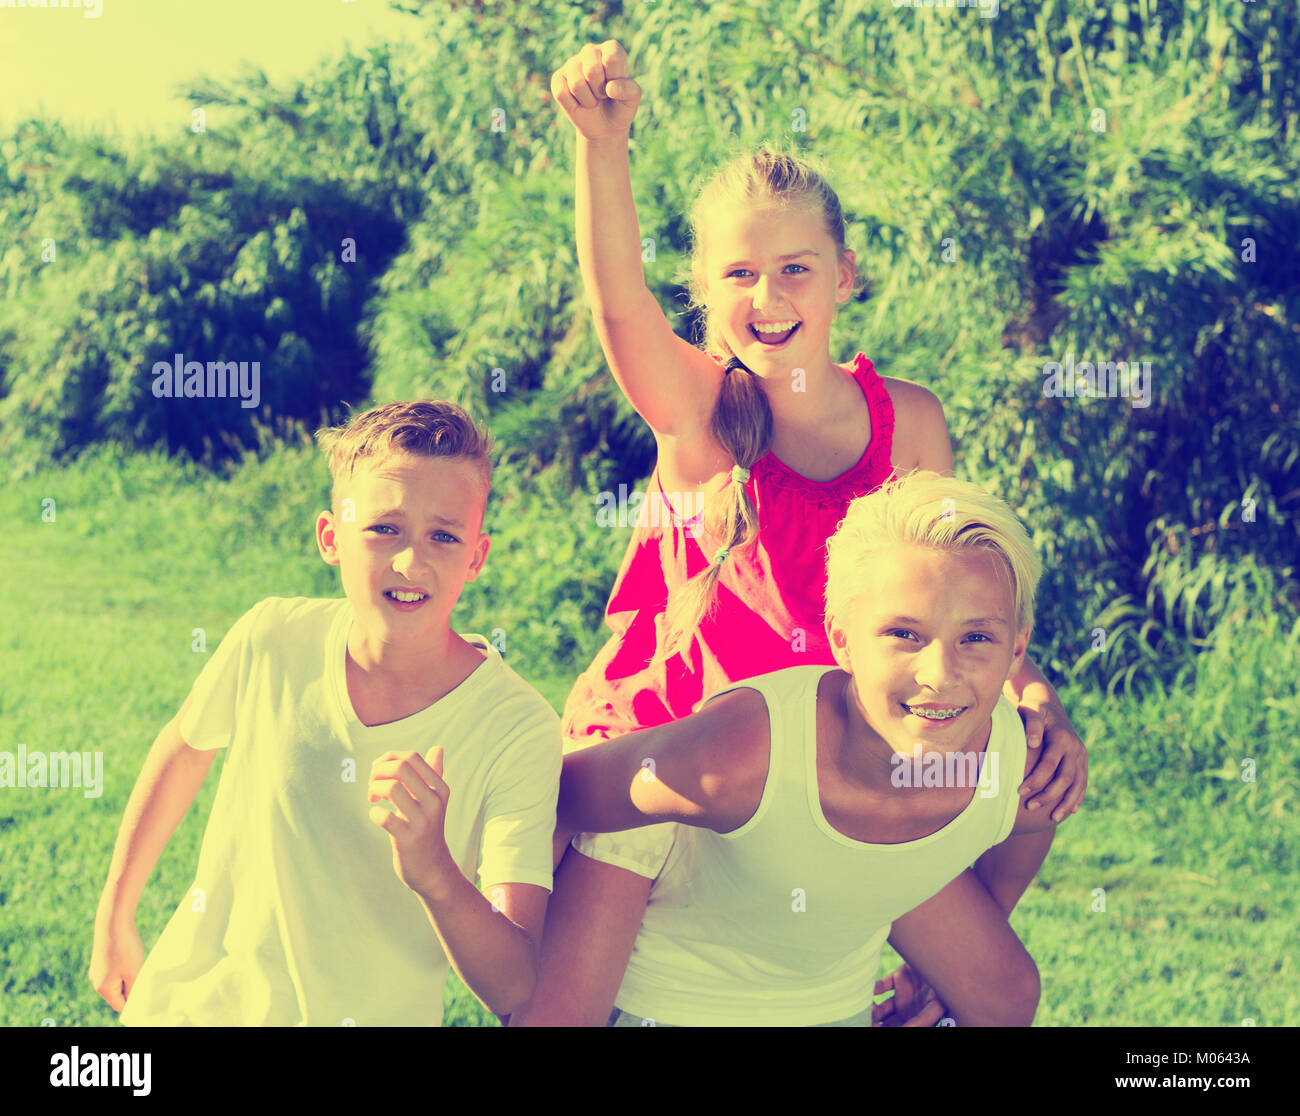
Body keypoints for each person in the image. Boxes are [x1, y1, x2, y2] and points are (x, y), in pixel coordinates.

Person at [511, 39, 1087, 1026]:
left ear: (844, 276)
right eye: (738, 273)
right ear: (702, 286)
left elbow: (951, 587)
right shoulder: (701, 411)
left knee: (1003, 946)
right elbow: (616, 305)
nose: (767, 298)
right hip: (672, 750)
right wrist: (602, 148)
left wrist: (1034, 691)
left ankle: (910, 978)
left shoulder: (908, 421)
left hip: (822, 756)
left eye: (794, 269)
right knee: (565, 1014)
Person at [88, 400, 561, 1026]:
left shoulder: (517, 728)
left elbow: (516, 986)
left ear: (477, 556)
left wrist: (435, 872)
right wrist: (115, 916)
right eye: (383, 529)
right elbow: (184, 747)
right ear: (330, 539)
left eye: (443, 535)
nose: (410, 562)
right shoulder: (272, 636)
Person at [549, 471, 1058, 1026]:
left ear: (1017, 650)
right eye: (904, 635)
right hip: (671, 1007)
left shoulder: (1016, 763)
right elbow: (560, 794)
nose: (939, 675)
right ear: (840, 640)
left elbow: (1036, 819)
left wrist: (966, 936)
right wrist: (520, 971)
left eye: (977, 637)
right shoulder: (740, 754)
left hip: (831, 1008)